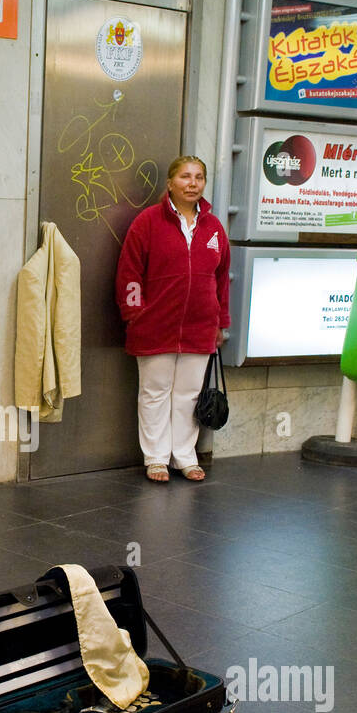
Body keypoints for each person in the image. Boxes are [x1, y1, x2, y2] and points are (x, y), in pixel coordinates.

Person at [114, 156, 230, 483]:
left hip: (200, 328)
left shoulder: (214, 228)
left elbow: (222, 279)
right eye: (185, 177)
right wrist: (135, 314)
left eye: (199, 177)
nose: (192, 183)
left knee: (188, 395)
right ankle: (156, 458)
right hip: (154, 326)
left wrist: (221, 321)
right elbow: (129, 273)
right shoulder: (147, 222)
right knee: (154, 392)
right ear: (170, 182)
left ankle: (184, 456)